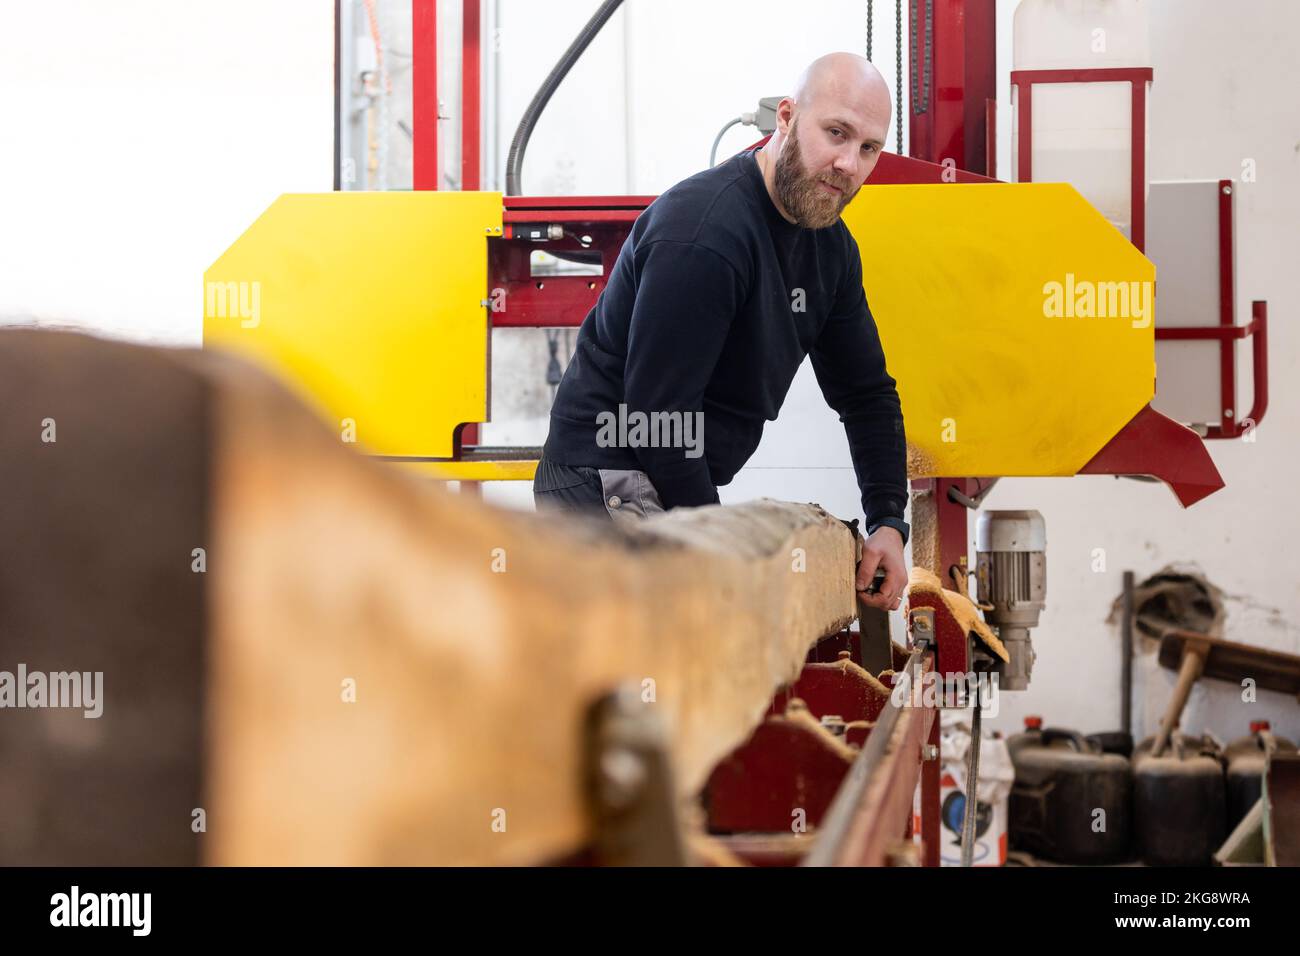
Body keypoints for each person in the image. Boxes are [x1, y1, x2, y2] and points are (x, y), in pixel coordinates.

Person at [534, 52, 909, 613]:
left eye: (868, 148)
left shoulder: (831, 251)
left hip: (667, 473)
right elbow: (658, 416)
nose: (849, 164)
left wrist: (887, 522)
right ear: (785, 118)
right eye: (836, 133)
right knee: (674, 672)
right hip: (606, 476)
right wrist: (722, 551)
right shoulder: (704, 234)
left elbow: (867, 395)